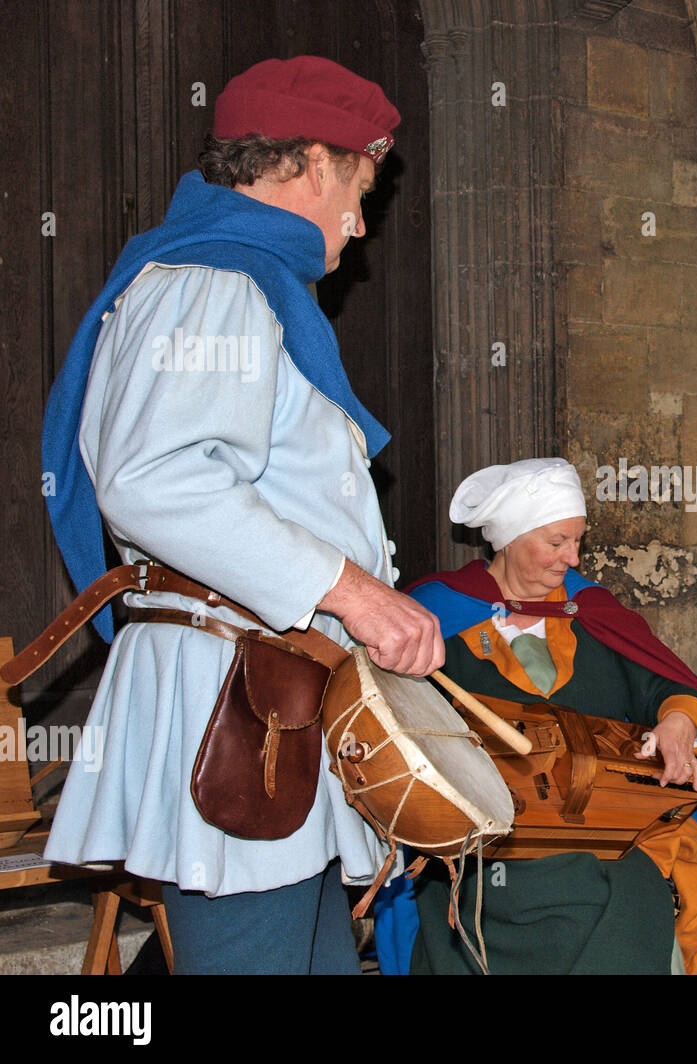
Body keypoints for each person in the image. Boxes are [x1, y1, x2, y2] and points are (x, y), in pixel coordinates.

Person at [40, 56, 444, 974]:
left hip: (270, 692)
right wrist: (356, 593)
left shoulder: (245, 283)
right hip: (234, 696)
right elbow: (157, 480)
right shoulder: (213, 284)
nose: (361, 219)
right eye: (361, 185)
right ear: (310, 162)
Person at [373, 458, 697, 974]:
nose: (571, 558)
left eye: (577, 541)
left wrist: (677, 719)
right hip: (486, 847)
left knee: (631, 895)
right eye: (556, 543)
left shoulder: (591, 611)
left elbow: (665, 684)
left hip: (608, 833)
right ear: (508, 539)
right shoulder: (431, 618)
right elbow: (390, 733)